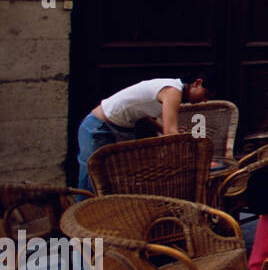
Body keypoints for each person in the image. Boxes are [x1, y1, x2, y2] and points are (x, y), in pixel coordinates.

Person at [76, 75, 209, 191]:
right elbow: (170, 133)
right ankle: (79, 218)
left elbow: (142, 111)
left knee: (118, 181)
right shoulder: (172, 91)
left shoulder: (170, 88)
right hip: (99, 127)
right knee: (93, 181)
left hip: (122, 130)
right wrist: (192, 156)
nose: (205, 100)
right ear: (197, 83)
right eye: (206, 93)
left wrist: (160, 129)